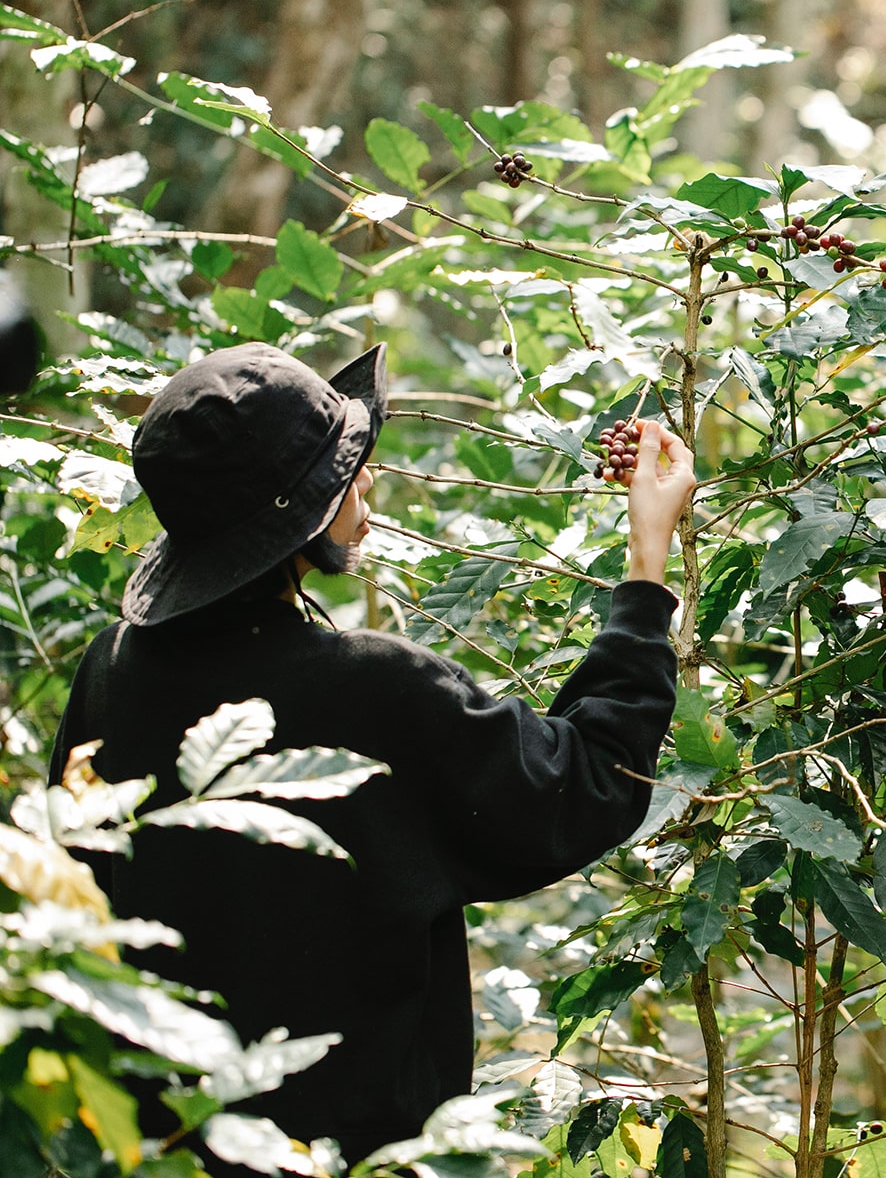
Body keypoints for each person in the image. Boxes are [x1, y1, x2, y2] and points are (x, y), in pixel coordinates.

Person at [49, 342, 697, 1165]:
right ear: (301, 515)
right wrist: (647, 569)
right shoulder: (376, 689)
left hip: (153, 1147)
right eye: (345, 469)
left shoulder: (109, 670)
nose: (366, 482)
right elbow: (592, 781)